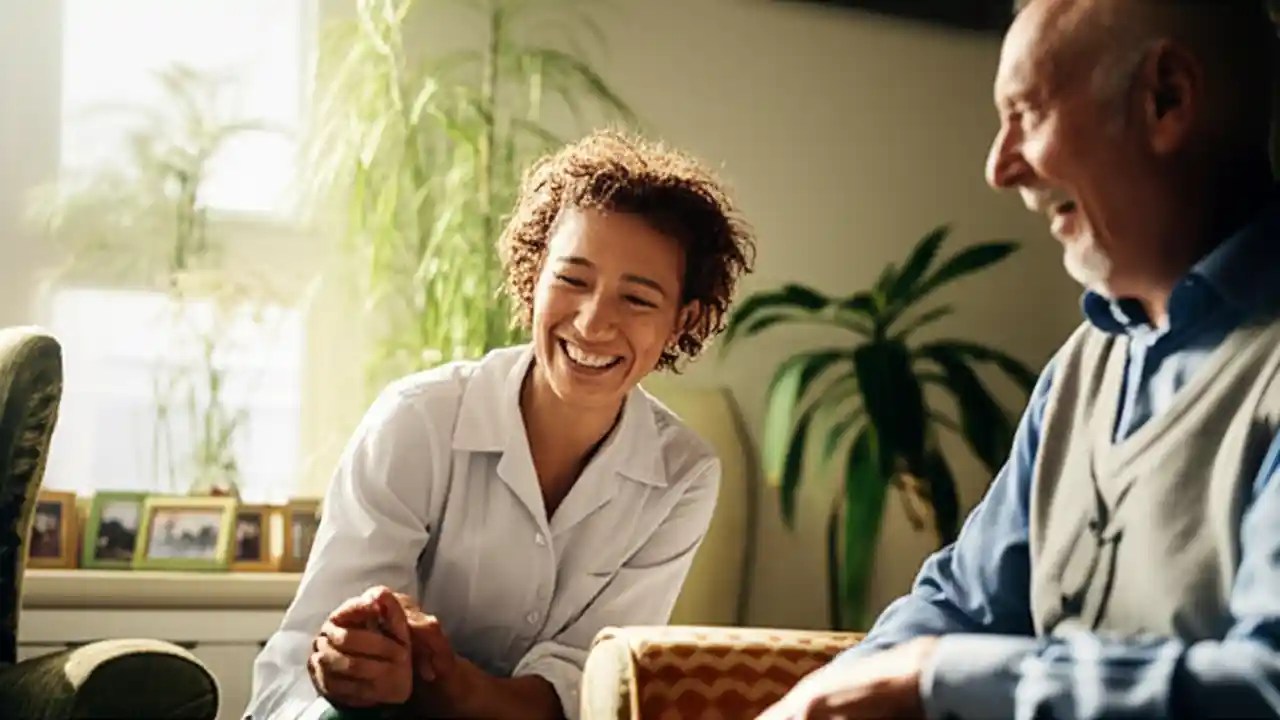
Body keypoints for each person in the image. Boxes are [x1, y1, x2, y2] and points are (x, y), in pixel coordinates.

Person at [761, 0, 1280, 718]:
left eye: (1026, 113)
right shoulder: (1081, 366)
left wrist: (936, 677)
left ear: (1167, 98)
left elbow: (1266, 688)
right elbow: (963, 604)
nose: (998, 168)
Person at [246, 129, 756, 720]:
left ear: (682, 319)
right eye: (572, 279)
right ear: (533, 275)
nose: (592, 323)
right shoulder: (420, 419)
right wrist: (358, 658)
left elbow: (586, 685)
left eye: (637, 299)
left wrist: (450, 684)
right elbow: (333, 641)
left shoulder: (683, 474)